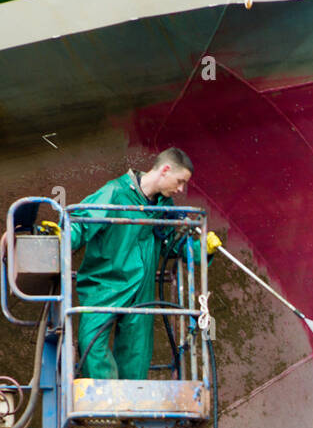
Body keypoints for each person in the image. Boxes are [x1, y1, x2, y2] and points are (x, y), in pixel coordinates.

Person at [71, 148, 216, 379]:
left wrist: (202, 249)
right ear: (165, 169)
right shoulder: (115, 192)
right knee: (91, 343)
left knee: (136, 352)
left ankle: (127, 408)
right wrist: (57, 236)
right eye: (180, 182)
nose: (181, 189)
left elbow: (173, 245)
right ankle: (106, 403)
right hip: (105, 284)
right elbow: (80, 223)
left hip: (142, 291)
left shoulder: (164, 208)